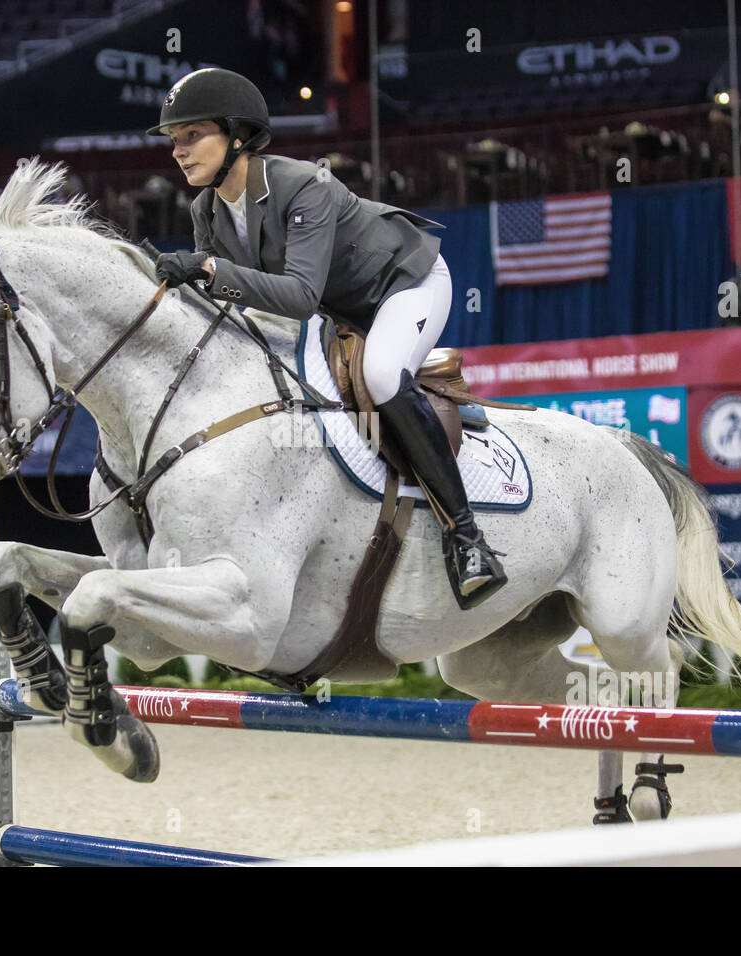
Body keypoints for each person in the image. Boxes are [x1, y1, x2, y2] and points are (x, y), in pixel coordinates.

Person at [147, 68, 507, 609]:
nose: (178, 150)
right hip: (337, 309)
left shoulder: (302, 185)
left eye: (192, 135)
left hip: (404, 284)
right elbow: (231, 306)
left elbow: (296, 296)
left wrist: (206, 266)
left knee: (382, 375)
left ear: (238, 134)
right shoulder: (207, 209)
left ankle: (467, 538)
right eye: (174, 140)